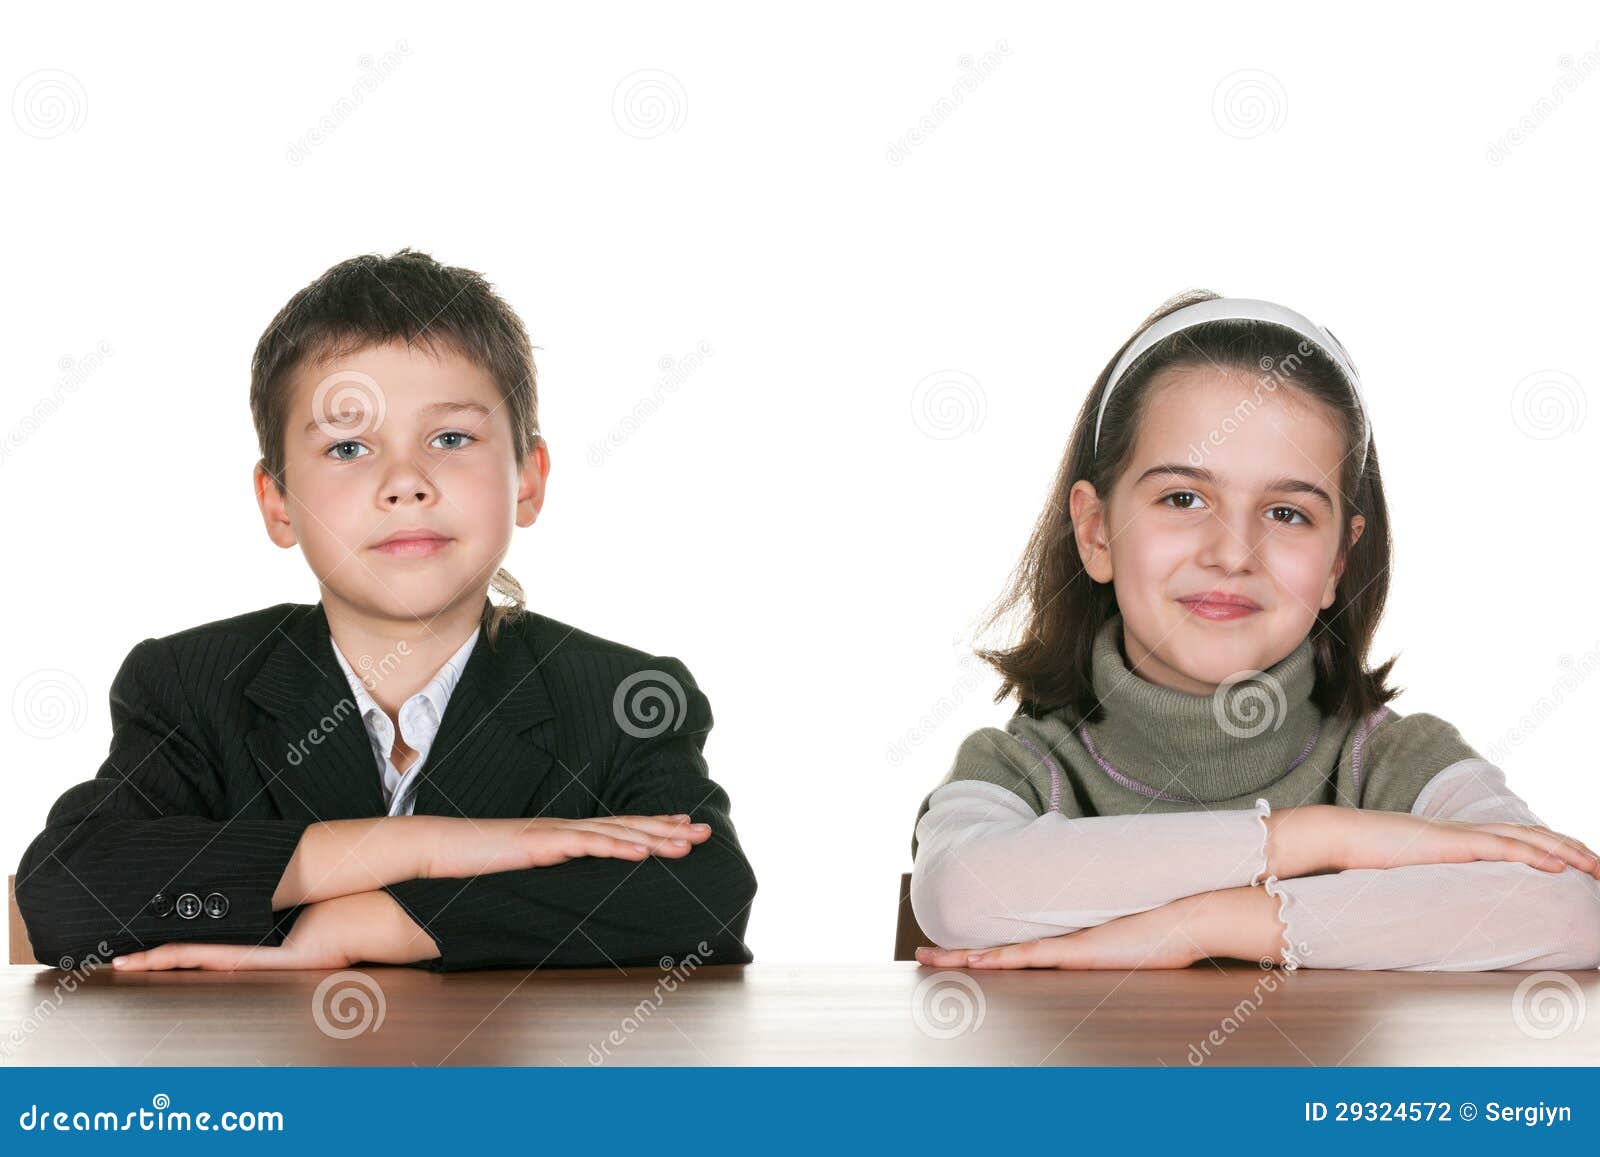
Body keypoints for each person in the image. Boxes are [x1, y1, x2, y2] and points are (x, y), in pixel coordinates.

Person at [16, 248, 757, 973]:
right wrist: (417, 847)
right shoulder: (192, 685)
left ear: (528, 478)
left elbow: (704, 892)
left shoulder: (616, 695)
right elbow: (66, 892)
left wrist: (371, 919)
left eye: (451, 437)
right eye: (347, 449)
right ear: (276, 502)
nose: (406, 481)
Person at [910, 291, 1600, 971]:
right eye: (1183, 498)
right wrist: (1309, 839)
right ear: (1096, 532)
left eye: (1288, 513)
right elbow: (960, 894)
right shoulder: (1024, 768)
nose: (1232, 552)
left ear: (1338, 562)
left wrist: (1204, 924)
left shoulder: (1395, 761)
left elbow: (1571, 908)